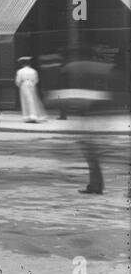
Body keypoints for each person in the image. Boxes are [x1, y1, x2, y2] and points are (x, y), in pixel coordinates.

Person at [47, 58, 115, 194]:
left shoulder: (88, 94)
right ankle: (95, 185)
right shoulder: (95, 93)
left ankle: (96, 186)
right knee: (93, 162)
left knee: (93, 162)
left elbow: (89, 117)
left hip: (91, 135)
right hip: (92, 133)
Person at [15, 57, 47, 122]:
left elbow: (18, 81)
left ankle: (28, 116)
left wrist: (20, 85)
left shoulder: (20, 71)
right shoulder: (33, 71)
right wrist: (32, 84)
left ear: (22, 64)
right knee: (33, 99)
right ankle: (34, 115)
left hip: (24, 84)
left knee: (25, 100)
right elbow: (36, 80)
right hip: (31, 84)